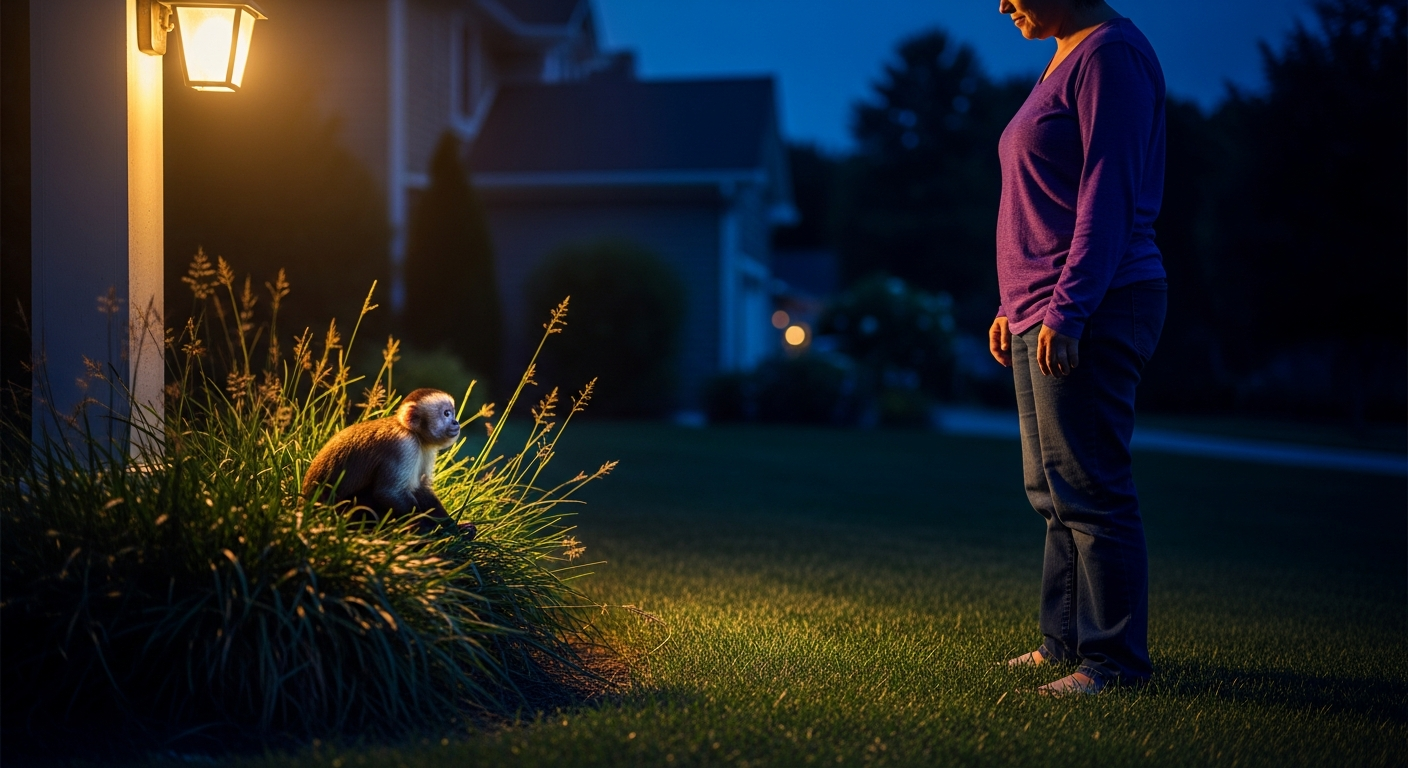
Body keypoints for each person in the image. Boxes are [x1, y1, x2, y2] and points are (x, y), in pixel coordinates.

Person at [990, 0, 1169, 696]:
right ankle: (1061, 643)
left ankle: (1115, 665)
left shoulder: (1109, 55)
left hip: (1098, 303)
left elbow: (1107, 193)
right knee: (1052, 489)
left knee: (1092, 489)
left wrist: (1069, 307)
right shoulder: (1064, 57)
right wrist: (1014, 304)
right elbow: (1040, 199)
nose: (1001, 2)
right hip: (1043, 308)